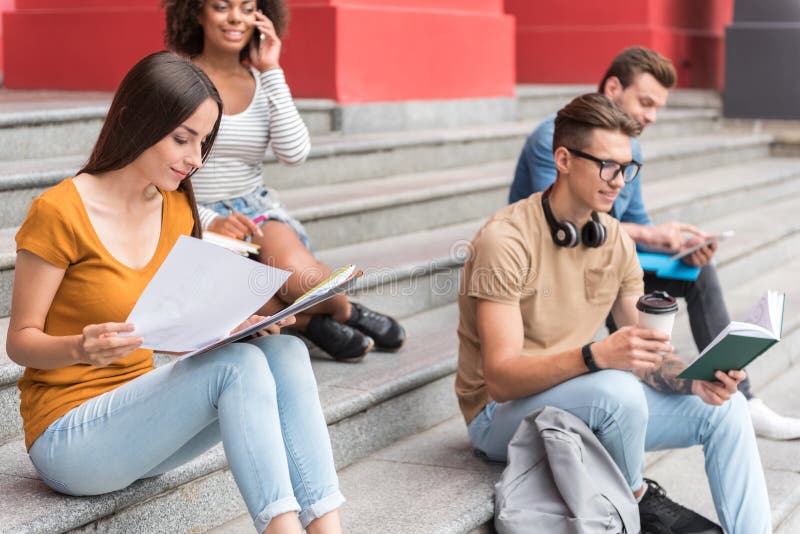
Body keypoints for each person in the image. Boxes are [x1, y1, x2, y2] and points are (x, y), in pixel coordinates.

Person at [6, 51, 343, 534]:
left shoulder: (176, 207)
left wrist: (236, 326)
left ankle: (328, 528)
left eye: (204, 142)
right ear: (134, 121)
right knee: (239, 367)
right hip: (69, 437)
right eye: (181, 139)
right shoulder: (59, 212)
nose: (195, 158)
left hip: (145, 422)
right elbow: (19, 341)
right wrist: (81, 347)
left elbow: (175, 323)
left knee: (284, 350)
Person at [457, 93, 771, 534]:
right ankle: (635, 504)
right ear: (563, 159)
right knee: (615, 388)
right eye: (607, 165)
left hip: (589, 397)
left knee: (727, 409)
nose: (619, 180)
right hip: (499, 418)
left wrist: (697, 378)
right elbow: (501, 379)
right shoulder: (503, 241)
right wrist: (596, 356)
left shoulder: (615, 240)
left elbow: (644, 350)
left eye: (627, 167)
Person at [508, 46, 800, 441]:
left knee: (698, 271)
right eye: (646, 101)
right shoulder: (559, 139)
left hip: (606, 260)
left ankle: (742, 400)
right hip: (557, 264)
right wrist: (647, 236)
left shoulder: (633, 149)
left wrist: (676, 246)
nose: (651, 115)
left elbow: (637, 222)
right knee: (615, 275)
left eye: (658, 106)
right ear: (614, 88)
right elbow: (566, 223)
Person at [162, 0, 406, 362]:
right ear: (196, 12)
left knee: (303, 281)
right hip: (195, 215)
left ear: (262, 18)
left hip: (254, 208)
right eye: (221, 6)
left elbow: (295, 153)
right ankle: (310, 323)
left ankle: (344, 313)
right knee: (239, 295)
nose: (235, 18)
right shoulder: (176, 81)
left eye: (247, 8)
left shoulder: (263, 81)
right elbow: (162, 164)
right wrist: (211, 221)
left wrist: (273, 69)